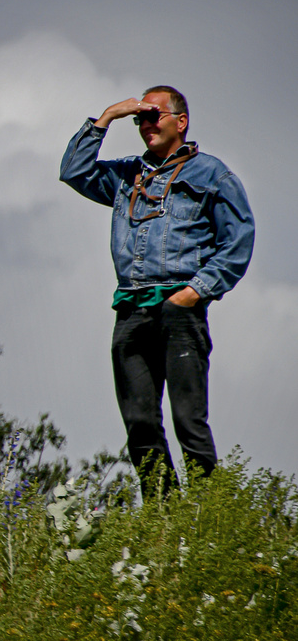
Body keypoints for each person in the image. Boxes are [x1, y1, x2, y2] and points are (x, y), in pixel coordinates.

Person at [59, 86, 254, 497]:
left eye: (155, 116)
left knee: (188, 421)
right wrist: (107, 117)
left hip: (178, 308)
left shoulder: (212, 174)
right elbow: (75, 172)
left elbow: (238, 240)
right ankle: (162, 519)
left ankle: (210, 516)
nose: (146, 124)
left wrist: (194, 292)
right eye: (140, 119)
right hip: (130, 308)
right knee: (140, 424)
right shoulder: (127, 174)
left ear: (180, 122)